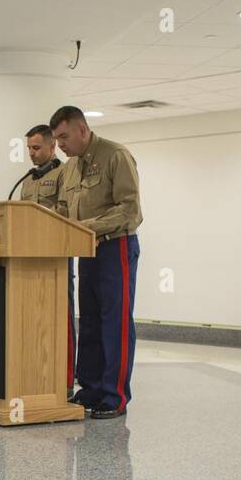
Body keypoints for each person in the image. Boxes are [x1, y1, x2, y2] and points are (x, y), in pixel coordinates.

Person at [50, 105, 142, 420]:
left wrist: (87, 227)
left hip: (115, 246)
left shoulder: (116, 155)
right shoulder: (69, 168)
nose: (60, 144)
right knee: (88, 320)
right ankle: (89, 388)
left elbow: (129, 209)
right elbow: (63, 208)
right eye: (56, 139)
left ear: (82, 130)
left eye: (64, 136)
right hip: (85, 249)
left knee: (114, 321)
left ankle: (114, 395)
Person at [19, 124, 74, 397]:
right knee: (31, 319)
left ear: (52, 146)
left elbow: (65, 210)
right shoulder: (27, 180)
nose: (32, 153)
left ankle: (64, 380)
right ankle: (34, 375)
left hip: (56, 259)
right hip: (28, 260)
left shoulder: (66, 173)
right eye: (29, 148)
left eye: (37, 148)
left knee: (60, 320)